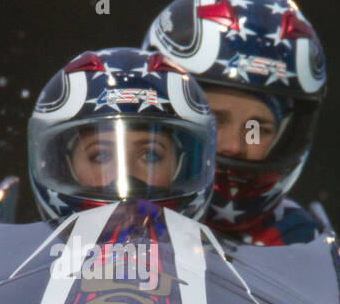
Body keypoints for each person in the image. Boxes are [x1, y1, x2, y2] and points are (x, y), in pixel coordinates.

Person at [144, 0, 327, 245]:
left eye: (257, 129)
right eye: (216, 121)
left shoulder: (295, 240)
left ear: (286, 137)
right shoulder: (100, 213)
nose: (234, 146)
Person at [27, 46, 216, 222]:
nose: (126, 175)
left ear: (183, 167)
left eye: (150, 156)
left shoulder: (222, 259)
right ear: (64, 169)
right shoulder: (16, 257)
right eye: (101, 156)